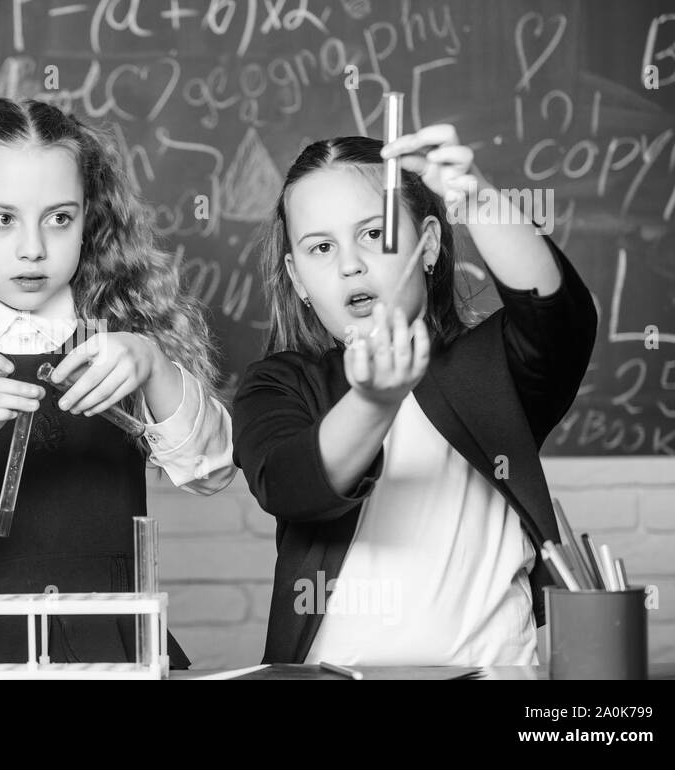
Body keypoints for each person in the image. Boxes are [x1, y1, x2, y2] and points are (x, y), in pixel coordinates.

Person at [0, 97, 236, 666]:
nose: (33, 248)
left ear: (88, 218)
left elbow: (214, 472)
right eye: (1, 219)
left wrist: (156, 366)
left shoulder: (120, 343)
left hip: (116, 652)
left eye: (60, 218)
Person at [232, 127, 596, 666]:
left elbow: (558, 315)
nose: (350, 264)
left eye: (375, 234)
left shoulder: (490, 368)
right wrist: (373, 403)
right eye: (321, 247)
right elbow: (290, 485)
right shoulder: (279, 383)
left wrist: (477, 199)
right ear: (298, 279)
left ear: (428, 244)